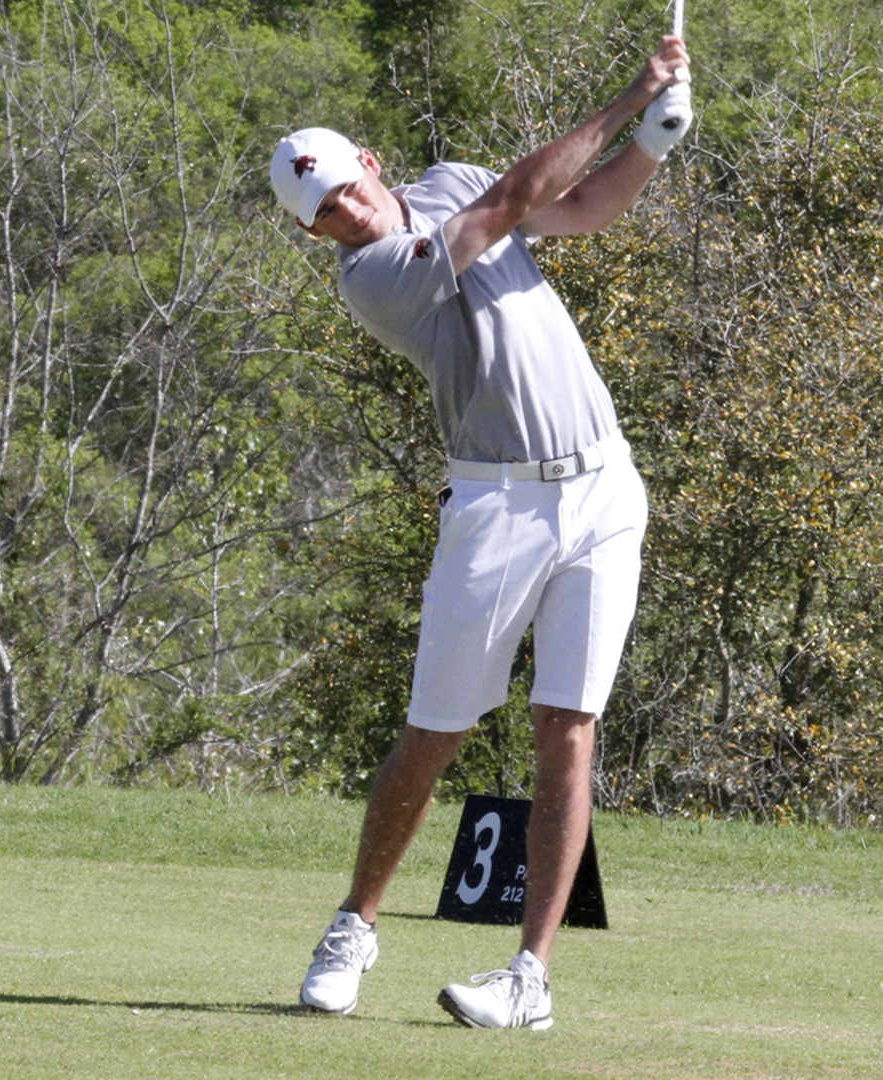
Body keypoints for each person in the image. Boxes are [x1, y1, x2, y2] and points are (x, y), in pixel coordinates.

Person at [270, 33, 692, 1030]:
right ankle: (355, 925)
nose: (345, 209)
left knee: (569, 725)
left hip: (603, 488)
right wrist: (632, 97)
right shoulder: (374, 277)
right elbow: (504, 207)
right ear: (315, 232)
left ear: (370, 161)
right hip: (496, 504)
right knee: (436, 734)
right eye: (322, 211)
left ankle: (529, 978)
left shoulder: (448, 177)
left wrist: (653, 147)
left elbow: (580, 208)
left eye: (344, 185)